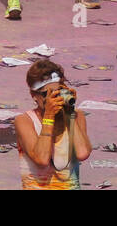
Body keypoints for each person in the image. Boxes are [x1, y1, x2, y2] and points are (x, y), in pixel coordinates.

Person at [14, 59, 91, 189]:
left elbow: (82, 153)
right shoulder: (24, 121)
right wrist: (48, 117)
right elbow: (42, 160)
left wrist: (69, 114)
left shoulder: (77, 116)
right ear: (34, 95)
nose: (53, 99)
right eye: (47, 94)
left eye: (58, 92)